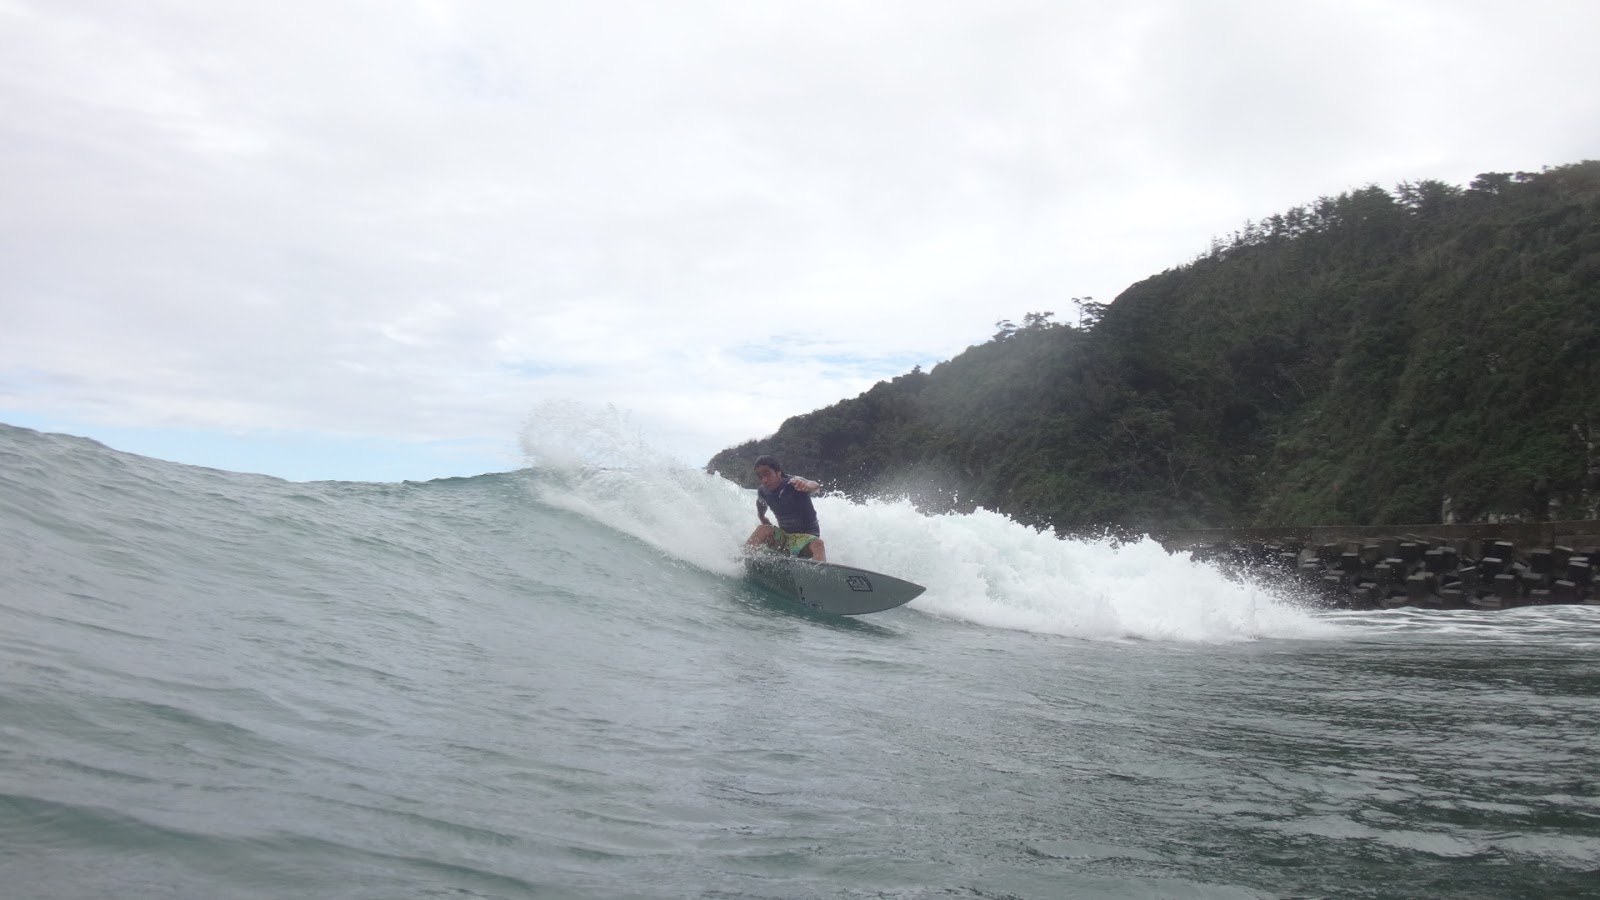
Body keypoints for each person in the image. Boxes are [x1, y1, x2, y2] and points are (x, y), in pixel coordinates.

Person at [743, 454, 827, 562]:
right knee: (762, 529)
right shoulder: (763, 491)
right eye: (760, 477)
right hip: (784, 539)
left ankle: (820, 573)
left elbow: (815, 485)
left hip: (806, 540)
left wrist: (806, 486)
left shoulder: (793, 482)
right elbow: (760, 502)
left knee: (818, 543)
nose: (764, 480)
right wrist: (762, 516)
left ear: (778, 471)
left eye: (767, 474)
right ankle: (745, 560)